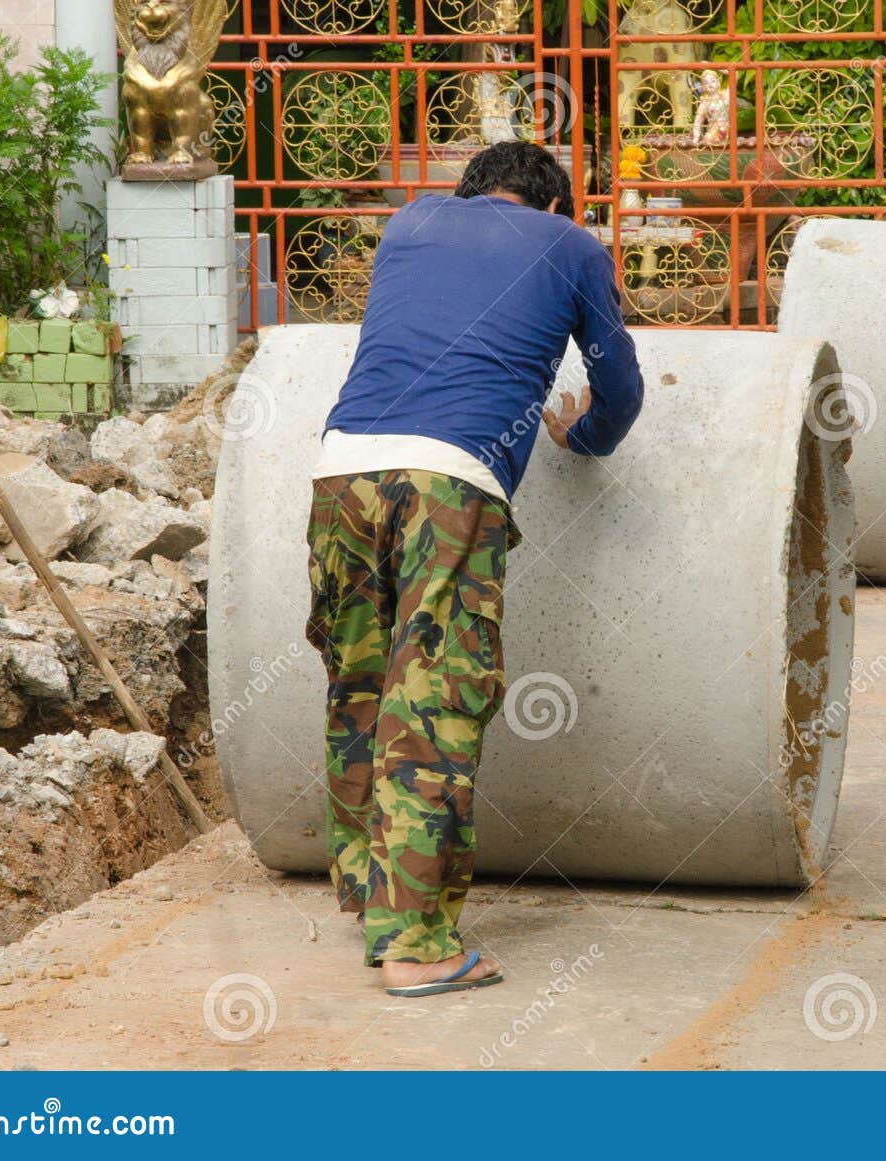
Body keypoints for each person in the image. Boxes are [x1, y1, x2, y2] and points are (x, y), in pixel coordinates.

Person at [303, 141, 644, 997]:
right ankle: (418, 945)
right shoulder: (572, 246)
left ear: (469, 192)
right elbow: (622, 385)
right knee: (434, 702)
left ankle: (374, 904)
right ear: (554, 204)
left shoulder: (409, 223)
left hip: (339, 471)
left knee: (361, 687)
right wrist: (585, 434)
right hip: (448, 484)